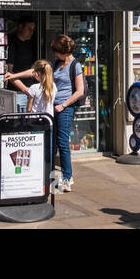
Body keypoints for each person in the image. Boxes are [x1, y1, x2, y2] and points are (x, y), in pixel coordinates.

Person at [49, 34, 85, 192]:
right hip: (53, 106)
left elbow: (80, 91)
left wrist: (63, 105)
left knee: (63, 143)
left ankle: (67, 178)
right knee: (52, 143)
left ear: (63, 51)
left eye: (56, 51)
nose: (55, 54)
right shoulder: (57, 63)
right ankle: (50, 176)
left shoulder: (75, 65)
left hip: (65, 108)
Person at [5, 17, 37, 111]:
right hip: (18, 92)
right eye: (29, 28)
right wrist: (25, 90)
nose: (31, 32)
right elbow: (9, 72)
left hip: (30, 91)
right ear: (20, 27)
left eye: (33, 29)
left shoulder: (31, 43)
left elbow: (34, 69)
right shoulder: (12, 43)